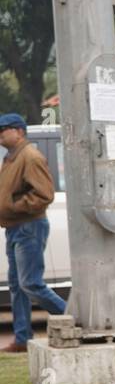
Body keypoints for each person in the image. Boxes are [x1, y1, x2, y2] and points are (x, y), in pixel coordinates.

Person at [0, 112, 61, 353]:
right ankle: (23, 338)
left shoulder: (30, 156)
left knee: (31, 284)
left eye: (4, 129)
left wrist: (14, 207)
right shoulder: (11, 158)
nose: (1, 133)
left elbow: (44, 194)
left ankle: (73, 318)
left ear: (19, 131)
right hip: (14, 227)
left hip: (29, 226)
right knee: (17, 285)